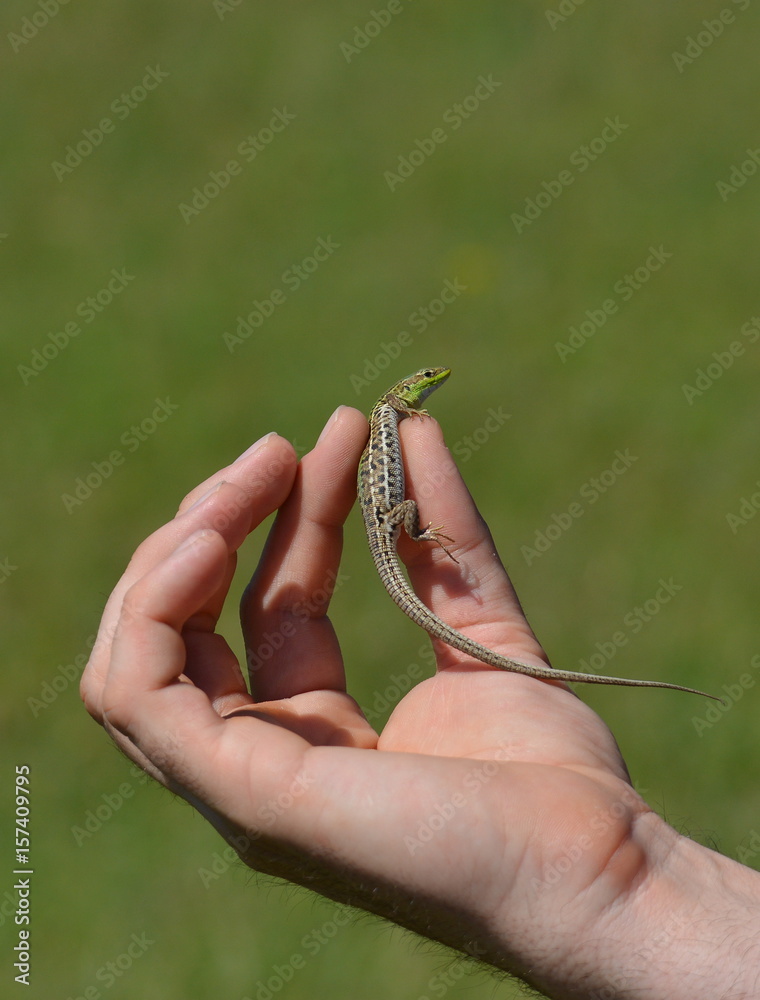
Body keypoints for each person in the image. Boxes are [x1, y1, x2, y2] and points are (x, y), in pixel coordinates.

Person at [81, 403, 760, 999]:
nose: (431, 386)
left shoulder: (392, 427)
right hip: (389, 520)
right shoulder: (391, 422)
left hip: (386, 520)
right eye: (423, 383)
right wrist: (619, 887)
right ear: (405, 396)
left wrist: (615, 888)